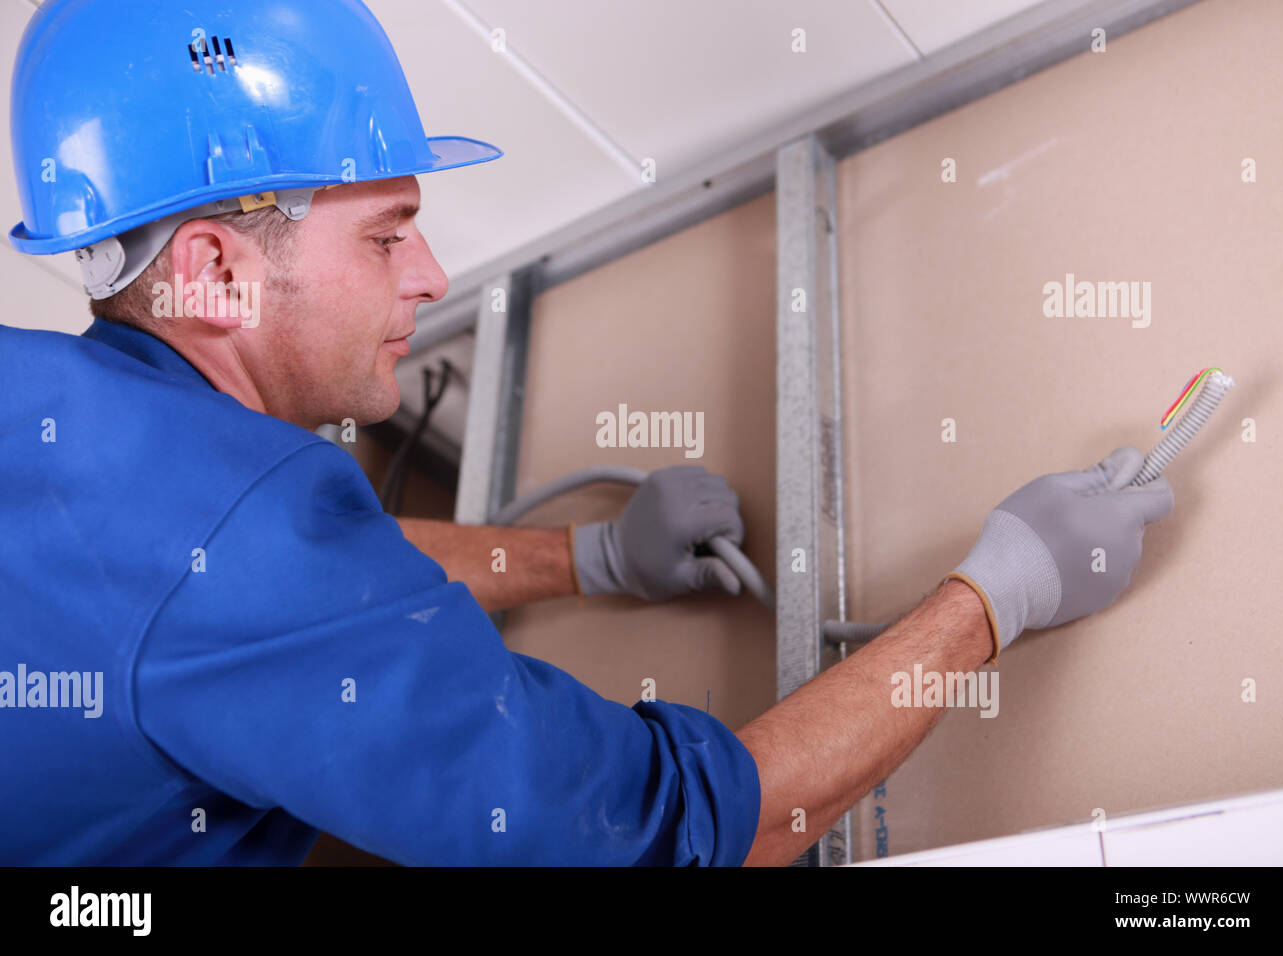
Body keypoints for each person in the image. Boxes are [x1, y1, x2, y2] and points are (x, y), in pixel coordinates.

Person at [0, 0, 1173, 866]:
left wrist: (587, 559)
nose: (432, 273)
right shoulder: (234, 534)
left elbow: (267, 583)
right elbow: (694, 822)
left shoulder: (73, 419)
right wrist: (996, 594)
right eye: (384, 234)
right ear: (214, 269)